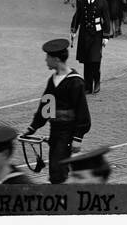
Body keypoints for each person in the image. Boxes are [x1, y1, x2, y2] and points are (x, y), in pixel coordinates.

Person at [23, 38, 91, 184]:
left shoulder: (75, 82)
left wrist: (78, 138)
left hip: (68, 133)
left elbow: (82, 113)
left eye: (48, 57)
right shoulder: (52, 81)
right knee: (57, 168)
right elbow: (45, 109)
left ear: (56, 59)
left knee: (57, 169)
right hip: (55, 132)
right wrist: (32, 128)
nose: (46, 60)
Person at [70, 0, 112, 95]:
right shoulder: (82, 2)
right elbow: (77, 17)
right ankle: (88, 86)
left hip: (97, 34)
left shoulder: (102, 2)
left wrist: (106, 36)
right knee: (86, 61)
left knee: (95, 60)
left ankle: (97, 81)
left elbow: (107, 19)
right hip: (84, 34)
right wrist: (73, 30)